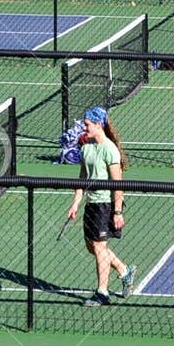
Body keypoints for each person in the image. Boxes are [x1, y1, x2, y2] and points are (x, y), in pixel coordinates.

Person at [66, 107, 134, 306]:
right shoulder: (86, 148)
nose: (83, 128)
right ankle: (124, 270)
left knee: (99, 246)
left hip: (105, 204)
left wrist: (117, 211)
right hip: (91, 204)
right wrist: (75, 203)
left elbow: (118, 184)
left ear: (98, 125)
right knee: (92, 247)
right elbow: (82, 179)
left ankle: (102, 292)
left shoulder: (110, 149)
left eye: (86, 125)